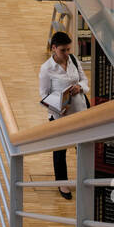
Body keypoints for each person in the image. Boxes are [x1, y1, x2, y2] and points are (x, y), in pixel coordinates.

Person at [38, 31, 89, 199]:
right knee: (60, 151)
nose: (67, 54)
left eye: (68, 49)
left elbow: (84, 80)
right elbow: (44, 96)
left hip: (80, 110)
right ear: (54, 48)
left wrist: (80, 87)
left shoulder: (73, 59)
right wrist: (59, 106)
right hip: (60, 114)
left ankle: (86, 179)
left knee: (83, 148)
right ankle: (62, 182)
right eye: (63, 50)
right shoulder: (46, 69)